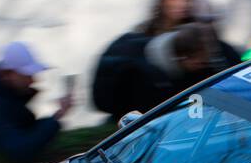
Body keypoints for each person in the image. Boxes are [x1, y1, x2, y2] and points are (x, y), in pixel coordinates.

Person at [92, 22, 238, 121]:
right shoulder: (150, 82)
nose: (203, 66)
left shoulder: (172, 50)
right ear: (183, 58)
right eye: (200, 62)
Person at [0, 41, 69, 163]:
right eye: (27, 75)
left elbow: (24, 125)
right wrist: (56, 118)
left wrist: (56, 116)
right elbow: (20, 152)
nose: (33, 80)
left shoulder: (4, 90)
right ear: (7, 74)